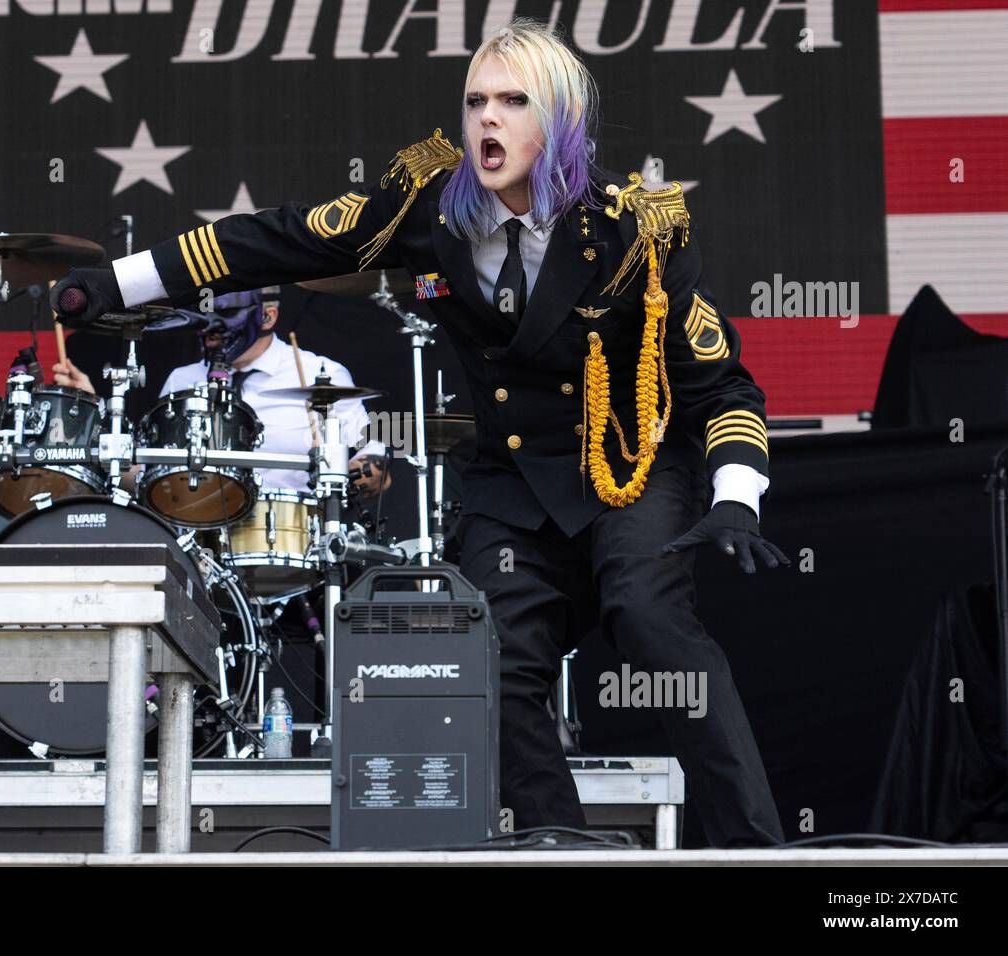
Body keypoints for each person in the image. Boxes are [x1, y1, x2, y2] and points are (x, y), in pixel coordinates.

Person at [52, 18, 789, 846]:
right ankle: (561, 849)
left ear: (562, 120)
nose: (487, 119)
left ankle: (756, 850)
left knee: (649, 618)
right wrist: (120, 281)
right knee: (492, 659)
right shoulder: (429, 207)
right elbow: (278, 239)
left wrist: (736, 494)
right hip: (515, 484)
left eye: (514, 101)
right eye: (476, 101)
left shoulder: (634, 229)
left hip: (630, 468)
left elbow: (721, 383)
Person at [51, 288, 389, 497]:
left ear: (267, 317)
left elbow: (376, 466)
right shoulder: (183, 380)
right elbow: (143, 477)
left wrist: (338, 473)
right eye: (204, 315)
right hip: (199, 544)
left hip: (293, 540)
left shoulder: (320, 375)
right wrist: (93, 412)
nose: (210, 327)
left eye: (225, 313)